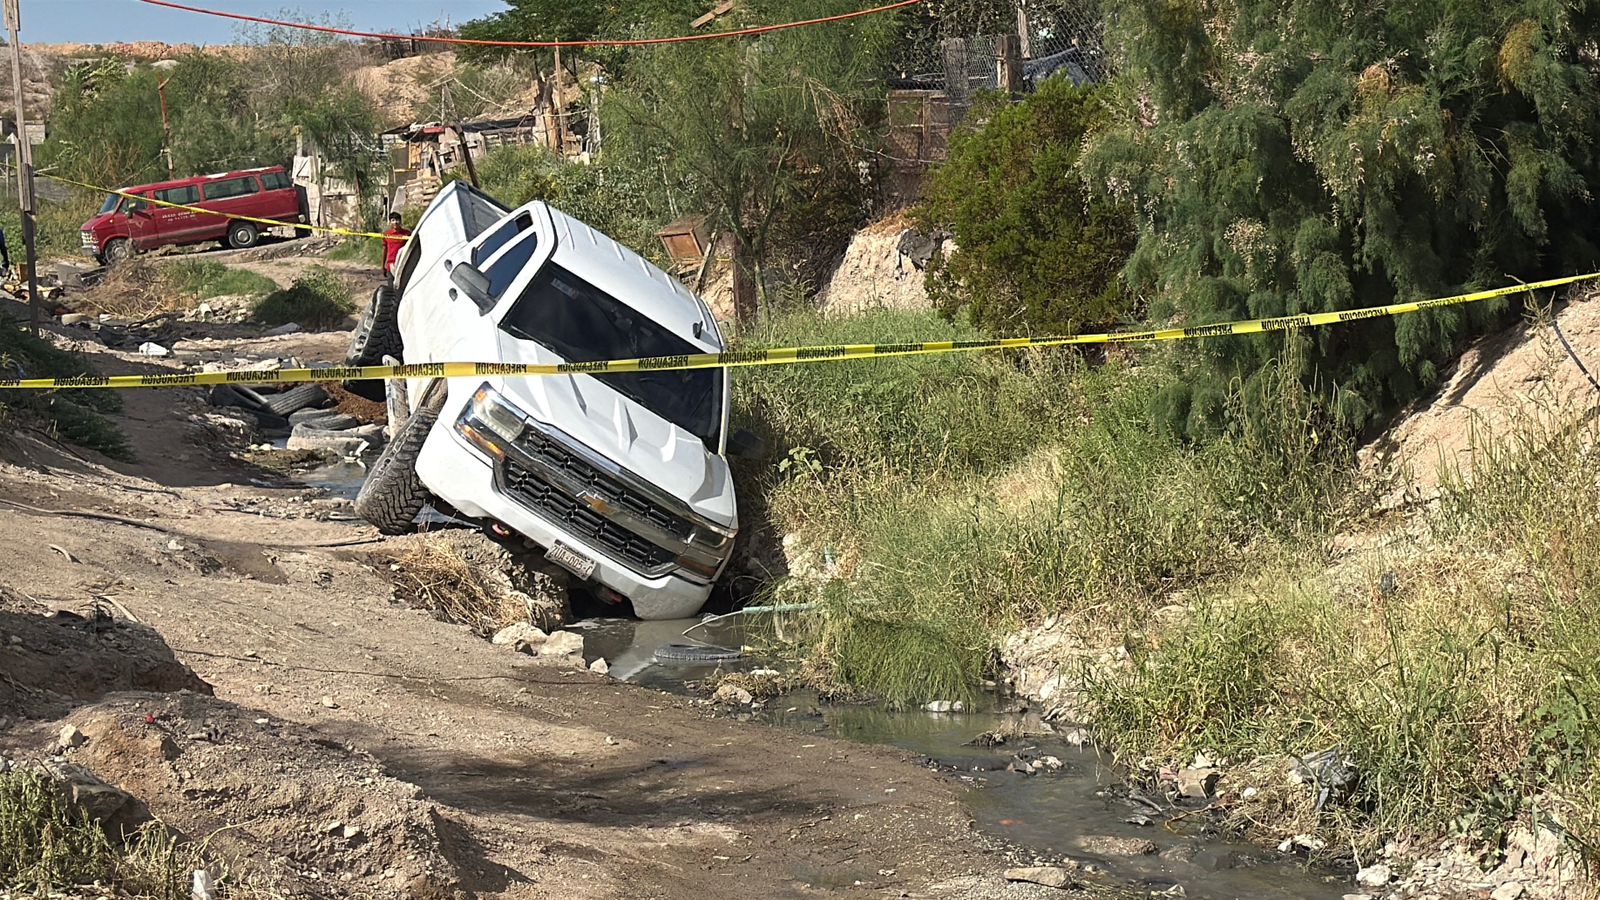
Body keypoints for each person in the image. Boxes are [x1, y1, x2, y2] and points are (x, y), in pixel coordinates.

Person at [382, 212, 411, 277]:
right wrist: (383, 266)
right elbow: (384, 250)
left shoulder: (407, 234)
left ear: (400, 221)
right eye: (393, 220)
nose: (395, 222)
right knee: (391, 283)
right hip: (391, 264)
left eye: (397, 220)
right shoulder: (387, 234)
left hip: (403, 264)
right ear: (390, 222)